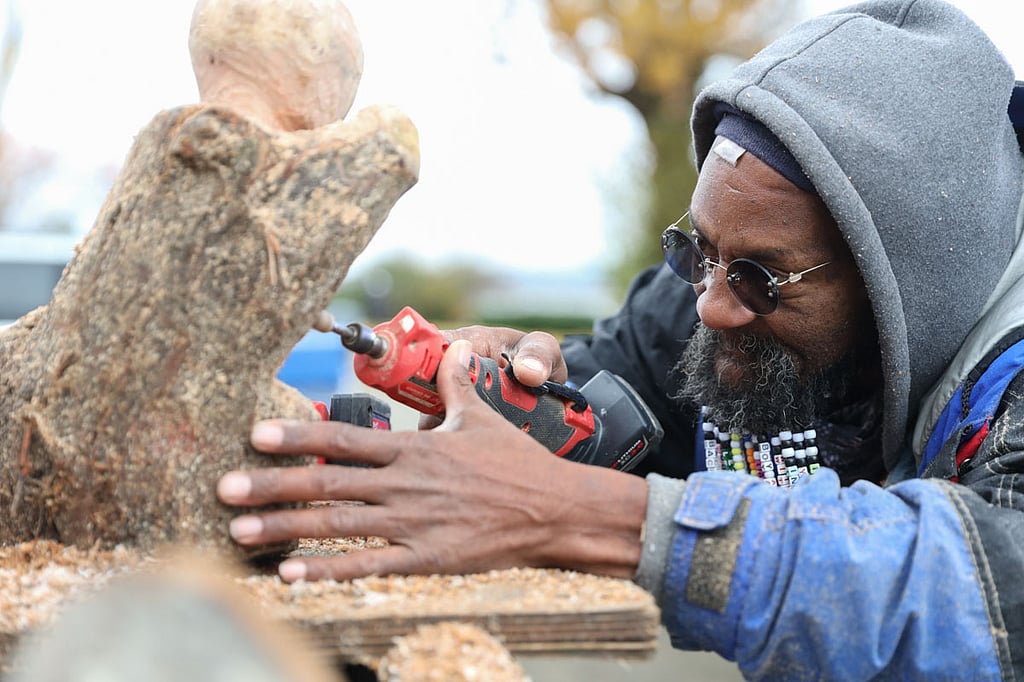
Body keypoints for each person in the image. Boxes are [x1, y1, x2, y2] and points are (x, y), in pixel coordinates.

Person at [216, 0, 1024, 678]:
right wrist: (524, 402)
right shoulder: (713, 300)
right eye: (699, 250)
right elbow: (617, 405)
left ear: (898, 282)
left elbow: (985, 592)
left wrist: (580, 515)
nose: (712, 306)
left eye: (760, 277)